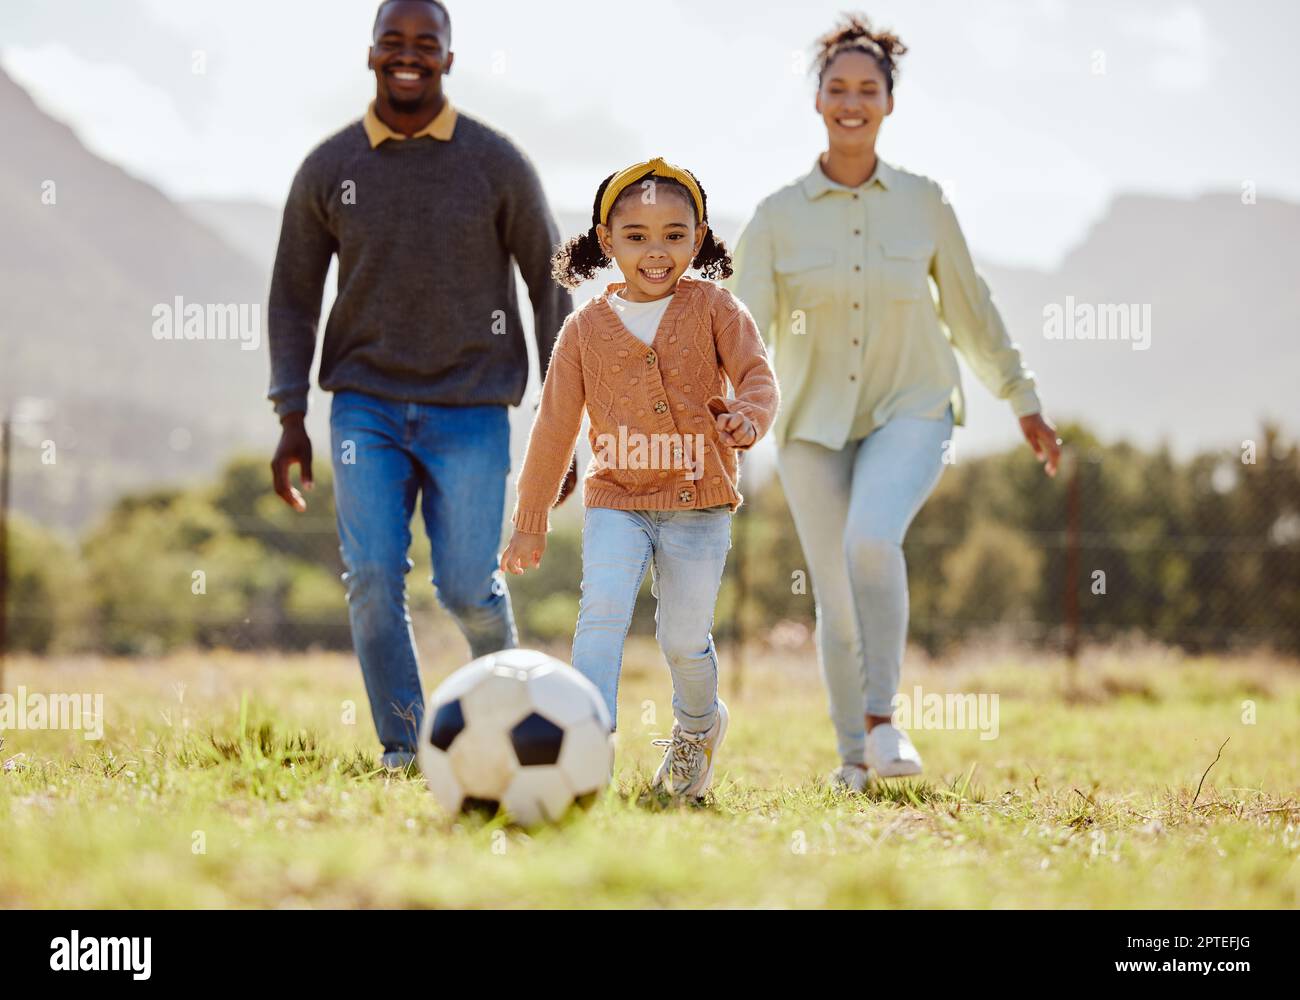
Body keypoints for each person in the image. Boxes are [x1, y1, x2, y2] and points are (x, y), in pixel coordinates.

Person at [727, 14, 1061, 791]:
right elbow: (741, 331)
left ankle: (882, 721)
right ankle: (854, 757)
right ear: (816, 100)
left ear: (888, 102)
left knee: (871, 542)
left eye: (867, 90)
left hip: (913, 407)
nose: (852, 102)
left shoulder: (925, 202)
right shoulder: (776, 216)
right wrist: (726, 413)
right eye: (837, 88)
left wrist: (1024, 399)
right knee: (835, 600)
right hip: (810, 427)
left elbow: (971, 311)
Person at [266, 0, 574, 770]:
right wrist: (291, 413)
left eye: (425, 44)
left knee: (470, 589)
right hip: (363, 404)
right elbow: (293, 295)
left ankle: (512, 720)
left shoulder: (495, 162)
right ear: (371, 53)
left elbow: (548, 284)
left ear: (448, 59)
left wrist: (564, 421)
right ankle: (405, 748)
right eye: (393, 42)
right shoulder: (330, 167)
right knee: (372, 577)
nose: (409, 55)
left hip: (471, 408)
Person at [500, 158, 780, 800]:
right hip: (616, 501)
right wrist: (530, 520)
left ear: (699, 235)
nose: (657, 252)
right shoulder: (583, 330)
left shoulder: (715, 309)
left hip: (698, 503)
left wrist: (749, 416)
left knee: (683, 639)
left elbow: (757, 377)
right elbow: (554, 427)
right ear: (606, 240)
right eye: (637, 236)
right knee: (599, 615)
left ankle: (698, 730)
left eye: (675, 235)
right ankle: (586, 751)